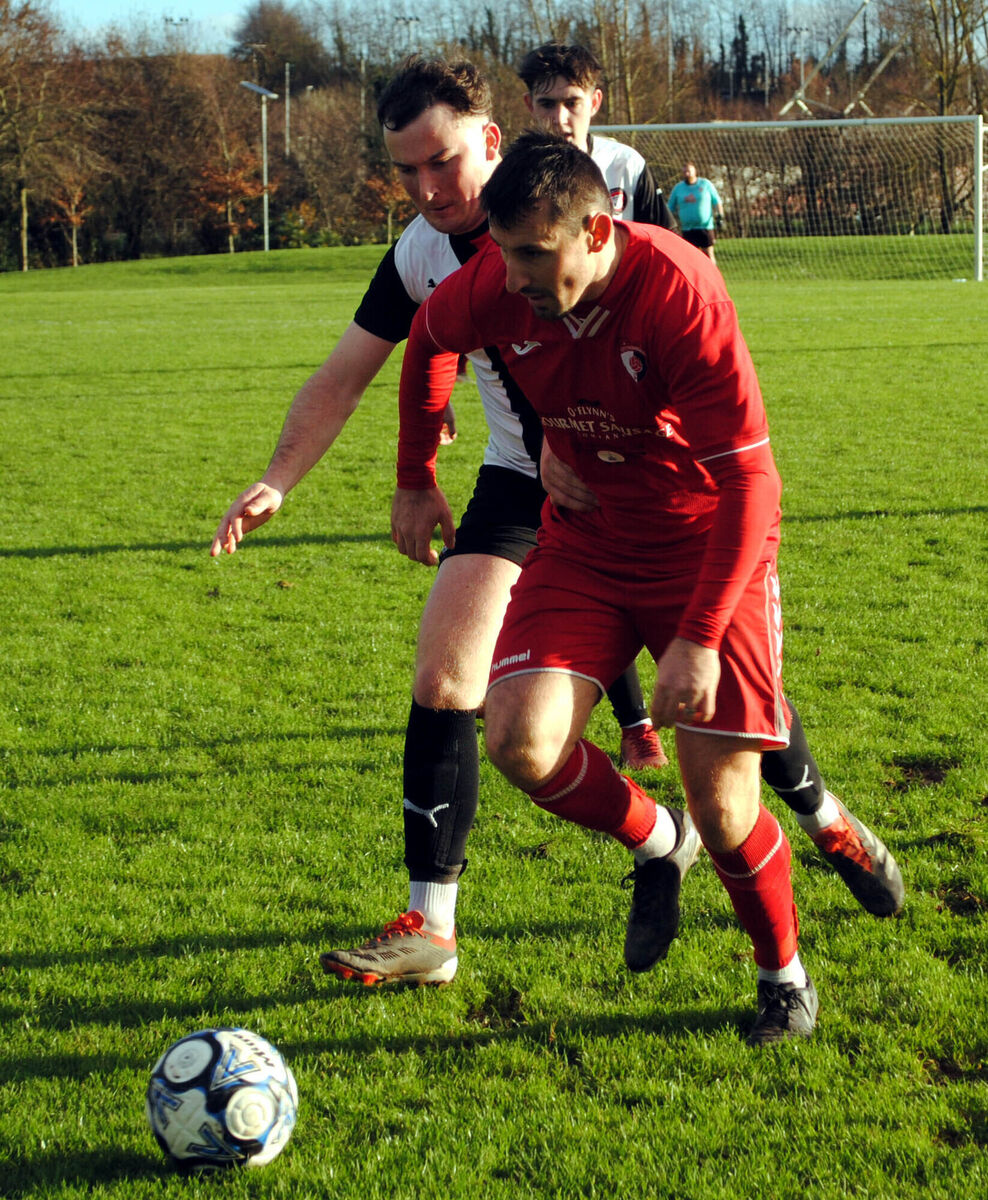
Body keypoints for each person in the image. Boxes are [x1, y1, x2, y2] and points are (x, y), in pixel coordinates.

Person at [392, 131, 902, 1042]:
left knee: (725, 798)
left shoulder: (678, 292)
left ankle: (781, 974)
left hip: (707, 550)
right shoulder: (499, 281)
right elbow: (429, 339)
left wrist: (701, 635)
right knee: (518, 740)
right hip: (586, 544)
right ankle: (662, 844)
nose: (510, 277)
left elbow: (754, 481)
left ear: (596, 230)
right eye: (504, 252)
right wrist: (415, 471)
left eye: (533, 254)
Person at [211, 57, 681, 991]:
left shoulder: (576, 210)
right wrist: (283, 480)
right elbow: (347, 374)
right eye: (407, 173)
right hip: (517, 480)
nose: (428, 191)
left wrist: (596, 442)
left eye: (443, 163)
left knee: (722, 702)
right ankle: (444, 925)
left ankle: (815, 818)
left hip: (640, 479)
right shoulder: (421, 254)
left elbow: (672, 338)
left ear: (490, 139)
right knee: (442, 676)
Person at [518, 41, 673, 230]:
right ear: (530, 105)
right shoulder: (515, 176)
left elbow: (665, 245)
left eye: (572, 103)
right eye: (547, 104)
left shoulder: (625, 165)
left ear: (594, 102)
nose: (559, 118)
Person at [667, 161, 724, 263]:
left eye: (688, 171)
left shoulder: (705, 184)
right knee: (691, 258)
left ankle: (712, 278)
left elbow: (717, 201)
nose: (687, 174)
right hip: (687, 229)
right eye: (684, 172)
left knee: (709, 255)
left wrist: (720, 216)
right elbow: (670, 207)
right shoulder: (678, 188)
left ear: (695, 171)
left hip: (705, 227)